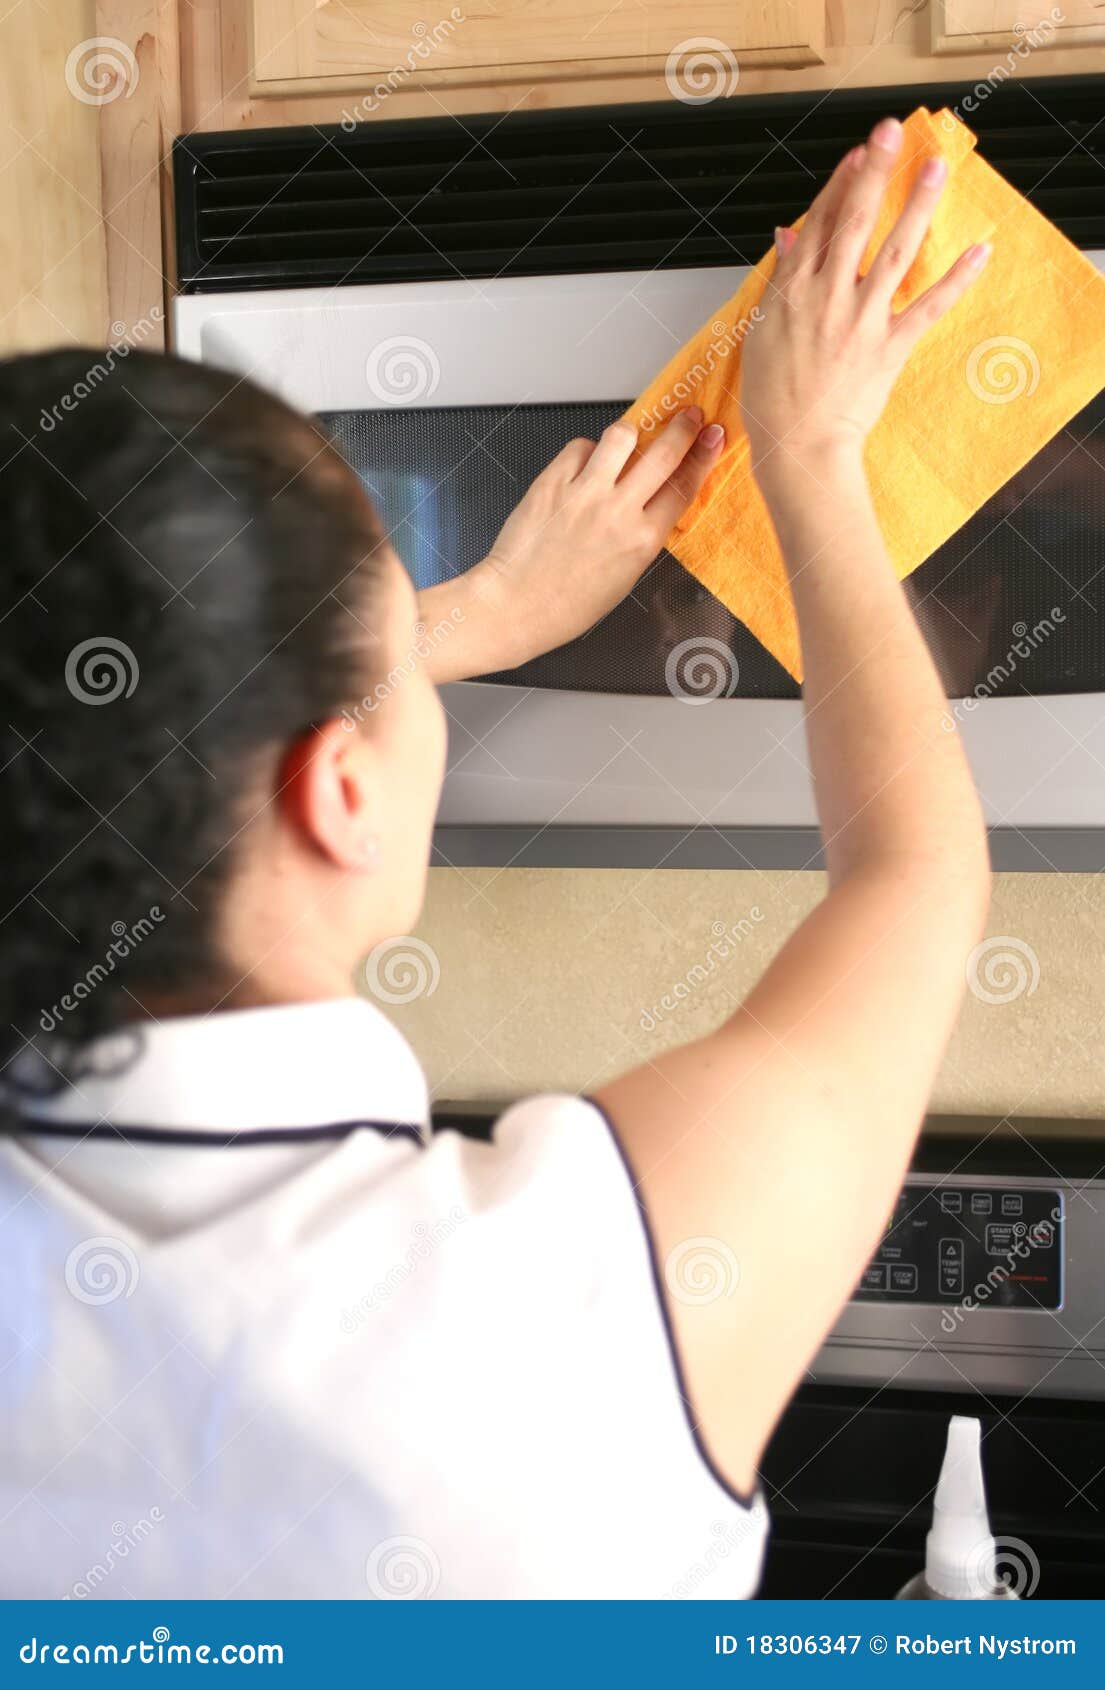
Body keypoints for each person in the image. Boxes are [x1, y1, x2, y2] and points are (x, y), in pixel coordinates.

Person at [0, 118, 990, 1599]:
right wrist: (811, 455)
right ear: (338, 791)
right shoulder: (571, 1299)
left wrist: (458, 624)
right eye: (405, 646)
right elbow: (915, 878)